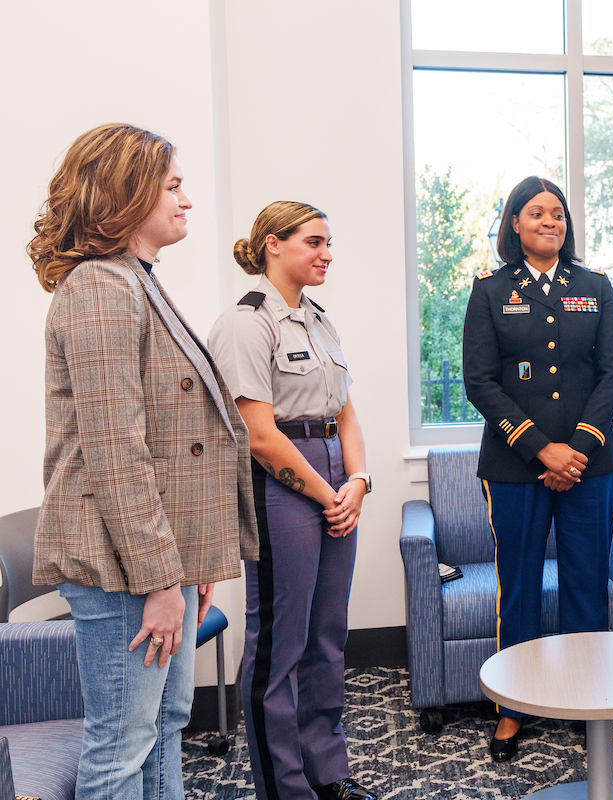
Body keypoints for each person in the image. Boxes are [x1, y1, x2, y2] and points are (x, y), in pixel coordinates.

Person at [30, 123, 257, 800]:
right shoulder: (101, 286)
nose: (186, 199)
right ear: (126, 195)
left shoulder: (137, 279)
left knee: (163, 726)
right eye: (174, 186)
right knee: (121, 747)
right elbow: (117, 454)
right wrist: (164, 582)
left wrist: (187, 568)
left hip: (155, 563)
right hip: (121, 570)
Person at [208, 202, 375, 800]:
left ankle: (328, 771)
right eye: (313, 242)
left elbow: (346, 413)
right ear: (273, 245)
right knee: (282, 642)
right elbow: (257, 434)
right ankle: (284, 786)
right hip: (282, 483)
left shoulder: (320, 318)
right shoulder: (246, 323)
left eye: (329, 243)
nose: (326, 253)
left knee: (328, 634)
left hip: (334, 477)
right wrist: (329, 491)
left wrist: (358, 482)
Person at [463, 176, 613, 762]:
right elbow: (479, 382)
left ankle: (589, 701)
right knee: (521, 588)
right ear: (514, 223)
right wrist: (541, 449)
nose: (550, 222)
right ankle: (514, 707)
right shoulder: (489, 291)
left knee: (588, 584)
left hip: (590, 462)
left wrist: (576, 447)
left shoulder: (595, 286)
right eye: (537, 214)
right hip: (514, 465)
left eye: (557, 214)